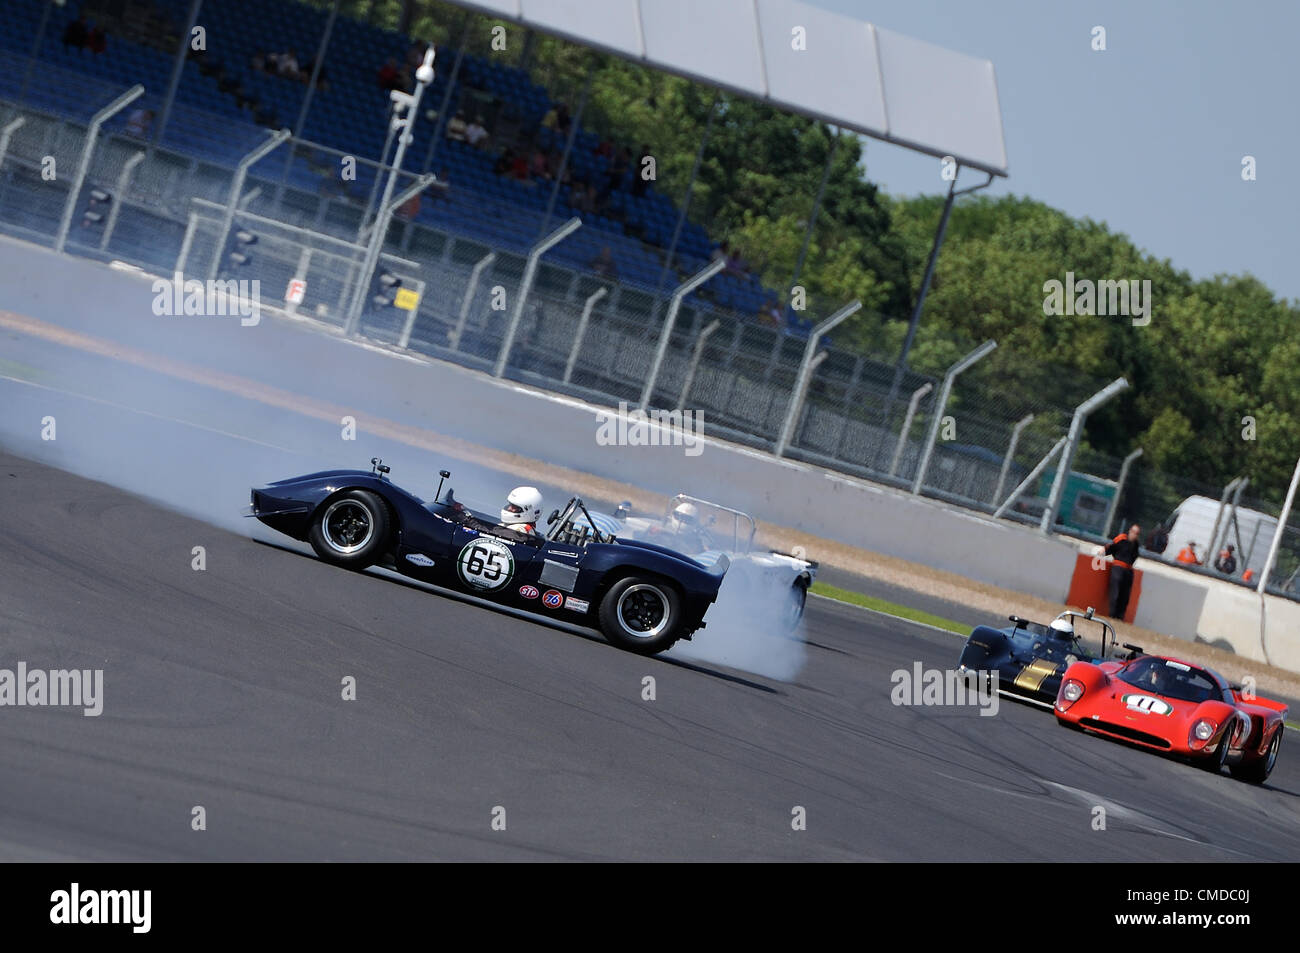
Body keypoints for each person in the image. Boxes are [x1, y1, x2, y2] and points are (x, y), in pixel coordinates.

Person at [1103, 522, 1141, 619]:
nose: (1134, 535)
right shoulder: (1122, 538)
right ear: (1130, 531)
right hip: (1118, 568)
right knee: (1115, 592)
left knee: (1125, 596)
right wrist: (1103, 551)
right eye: (1133, 532)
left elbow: (1134, 557)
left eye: (1137, 534)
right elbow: (1110, 548)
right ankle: (1112, 614)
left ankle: (1120, 616)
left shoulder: (1136, 544)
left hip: (1128, 570)